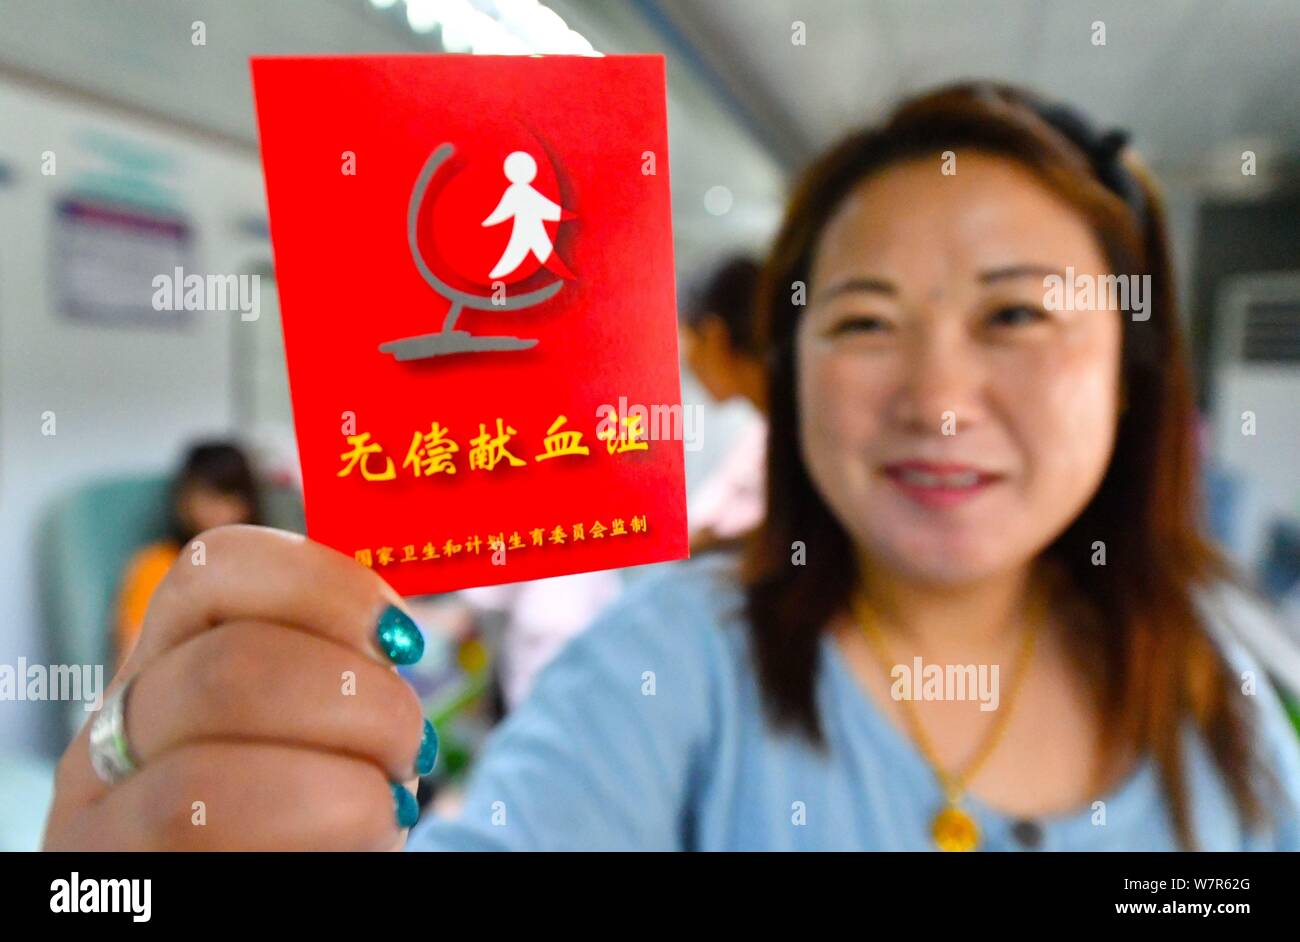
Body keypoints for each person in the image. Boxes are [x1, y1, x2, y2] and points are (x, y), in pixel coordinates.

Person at [44, 83, 1300, 851]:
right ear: (789, 362)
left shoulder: (1222, 680)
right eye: (863, 320)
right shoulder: (675, 658)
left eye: (1016, 316)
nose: (936, 398)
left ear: (1134, 373)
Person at [114, 441, 262, 666]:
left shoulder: (262, 565)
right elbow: (129, 660)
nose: (217, 510)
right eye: (206, 496)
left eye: (228, 496)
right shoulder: (157, 566)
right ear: (184, 501)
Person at [680, 256, 769, 551]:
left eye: (686, 343)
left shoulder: (804, 423)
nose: (685, 363)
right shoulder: (761, 429)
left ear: (714, 338)